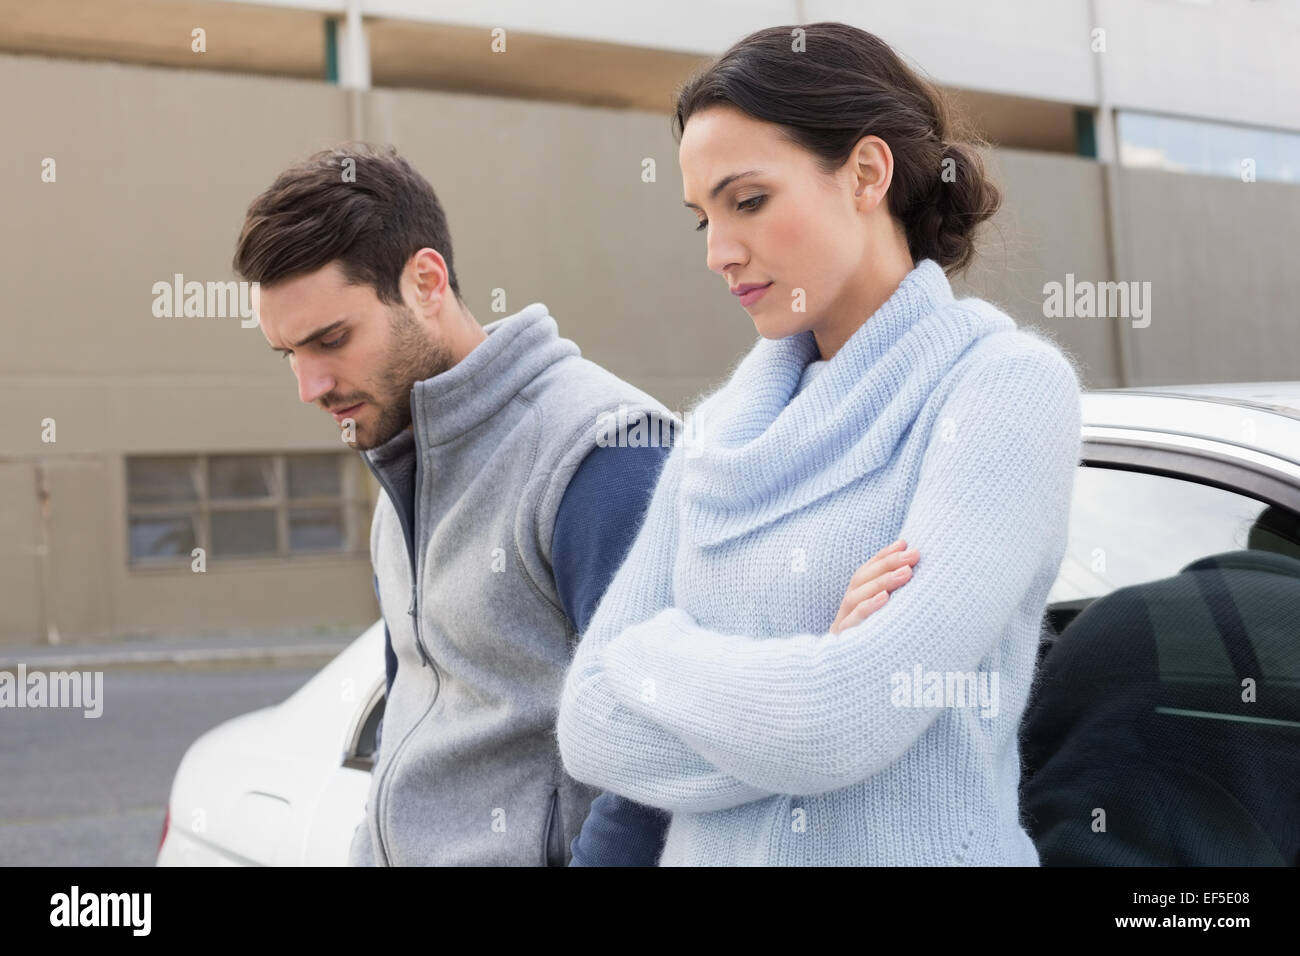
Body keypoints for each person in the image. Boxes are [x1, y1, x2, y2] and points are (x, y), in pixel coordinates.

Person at [556, 21, 1084, 865]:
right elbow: (588, 723)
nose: (720, 254)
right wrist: (813, 672)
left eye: (749, 200)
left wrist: (657, 657)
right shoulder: (718, 430)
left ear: (868, 173)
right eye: (702, 220)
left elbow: (846, 722)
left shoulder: (1002, 390)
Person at [233, 142, 679, 865]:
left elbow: (658, 748)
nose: (309, 386)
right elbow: (414, 712)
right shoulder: (403, 454)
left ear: (427, 282)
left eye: (331, 339)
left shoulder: (604, 452)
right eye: (288, 353)